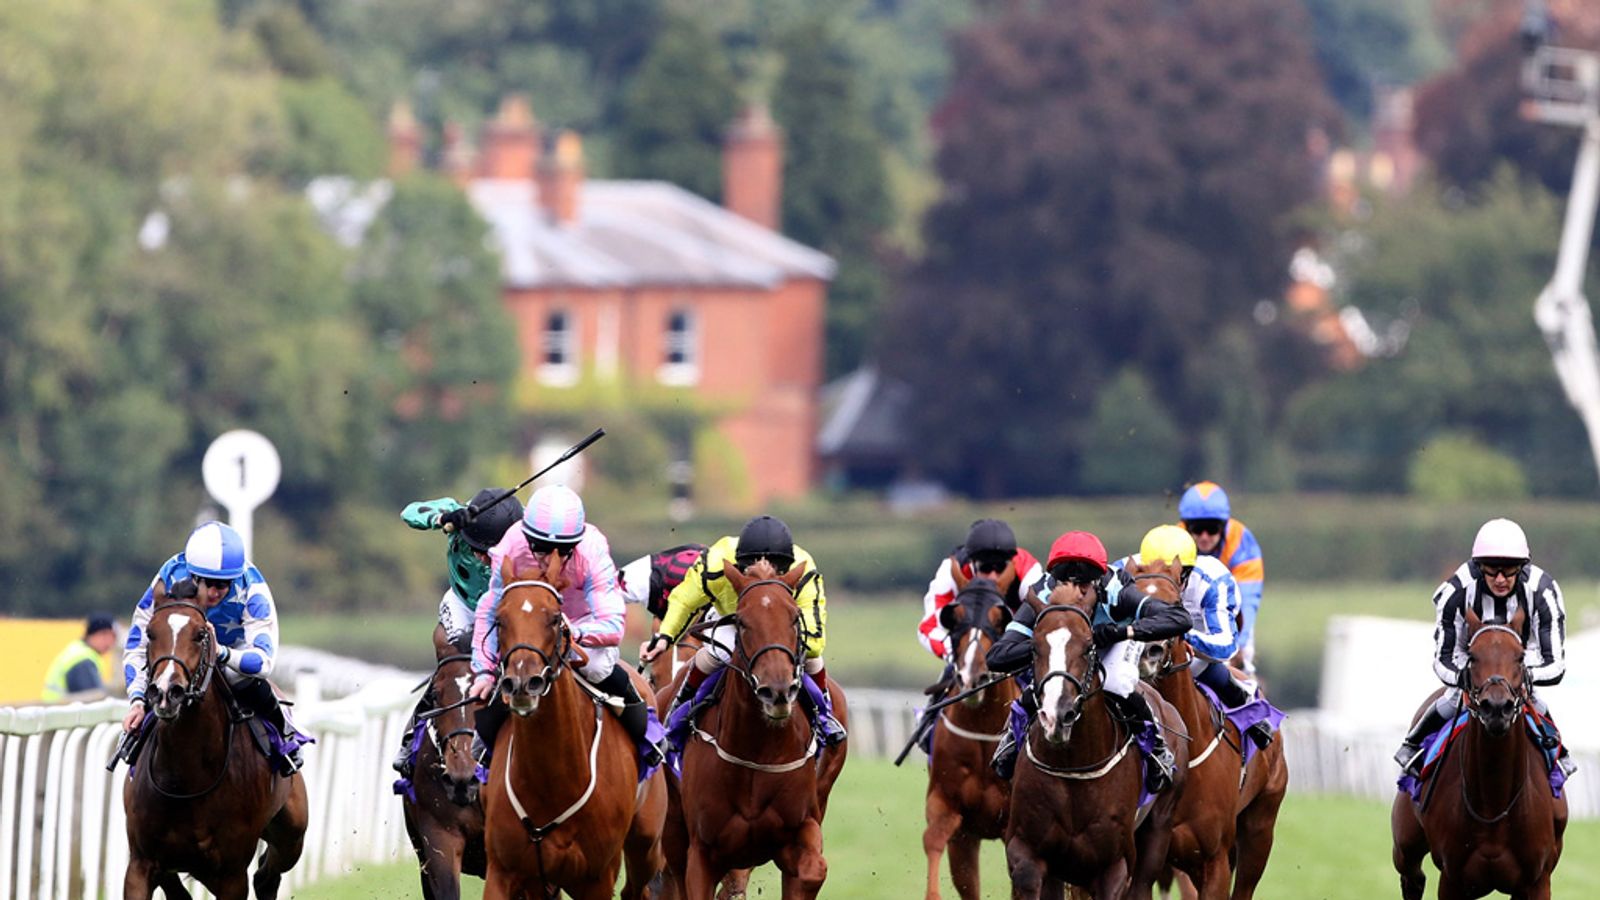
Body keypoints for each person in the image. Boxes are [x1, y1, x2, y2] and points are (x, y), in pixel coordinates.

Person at [465, 485, 661, 767]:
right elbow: (490, 609)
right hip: (531, 628)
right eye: (540, 548)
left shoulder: (592, 551)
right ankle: (484, 757)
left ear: (576, 543)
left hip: (581, 627)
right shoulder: (511, 545)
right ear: (527, 537)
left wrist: (572, 633)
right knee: (513, 667)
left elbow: (612, 625)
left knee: (597, 668)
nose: (550, 558)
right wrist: (484, 672)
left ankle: (647, 733)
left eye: (564, 550)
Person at [986, 530, 1192, 788]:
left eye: (1085, 581)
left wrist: (1121, 632)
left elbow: (1180, 619)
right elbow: (997, 657)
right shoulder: (1041, 594)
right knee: (1046, 682)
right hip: (1064, 648)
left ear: (1098, 579)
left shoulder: (1117, 589)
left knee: (1116, 682)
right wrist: (1049, 645)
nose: (1077, 590)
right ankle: (1011, 738)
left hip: (1111, 642)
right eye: (1066, 579)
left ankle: (1155, 748)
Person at [638, 515, 846, 745]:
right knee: (716, 654)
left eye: (777, 570)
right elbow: (684, 600)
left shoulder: (804, 569)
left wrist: (784, 646)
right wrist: (665, 638)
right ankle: (679, 712)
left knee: (813, 660)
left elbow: (814, 638)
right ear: (739, 564)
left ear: (787, 567)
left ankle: (824, 715)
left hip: (783, 626)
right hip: (734, 619)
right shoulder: (715, 562)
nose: (766, 572)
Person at [1394, 518, 1574, 778]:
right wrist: (1463, 677)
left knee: (1533, 701)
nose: (1500, 579)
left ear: (1522, 566)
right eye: (1491, 569)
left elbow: (1555, 663)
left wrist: (1523, 674)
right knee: (1453, 697)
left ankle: (1559, 758)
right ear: (1479, 567)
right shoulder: (1456, 591)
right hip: (1470, 657)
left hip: (1522, 657)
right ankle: (1412, 745)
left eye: (1509, 570)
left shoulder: (1543, 592)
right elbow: (1443, 658)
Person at [120, 520, 303, 774]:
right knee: (163, 681)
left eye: (223, 584)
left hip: (233, 653)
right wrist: (137, 700)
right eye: (208, 583)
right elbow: (136, 644)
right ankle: (132, 742)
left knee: (243, 679)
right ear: (192, 575)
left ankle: (285, 739)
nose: (215, 592)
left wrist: (220, 652)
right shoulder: (169, 577)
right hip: (181, 652)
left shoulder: (253, 590)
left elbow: (263, 662)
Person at [391, 487, 524, 775]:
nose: (480, 556)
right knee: (454, 660)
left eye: (489, 552)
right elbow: (409, 512)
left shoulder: (526, 533)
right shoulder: (459, 513)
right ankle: (414, 732)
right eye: (475, 547)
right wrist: (443, 519)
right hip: (463, 604)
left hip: (505, 606)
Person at [1112, 525, 1272, 748]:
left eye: (1179, 573)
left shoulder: (1212, 580)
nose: (1171, 578)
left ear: (1189, 570)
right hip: (1142, 639)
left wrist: (1178, 633)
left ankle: (1242, 699)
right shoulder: (1120, 572)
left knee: (1196, 665)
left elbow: (1226, 647)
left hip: (1195, 640)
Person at [916, 518, 1044, 662]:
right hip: (968, 646)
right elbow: (927, 628)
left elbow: (1045, 626)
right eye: (985, 568)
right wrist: (959, 654)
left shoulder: (1029, 573)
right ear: (972, 563)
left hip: (1015, 646)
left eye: (1000, 567)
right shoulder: (951, 571)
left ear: (1010, 563)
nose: (993, 577)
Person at [1178, 481, 1265, 674]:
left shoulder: (1241, 541)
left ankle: (1245, 687)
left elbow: (1248, 599)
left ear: (1224, 526)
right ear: (1185, 526)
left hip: (1228, 610)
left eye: (1212, 528)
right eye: (1197, 528)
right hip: (1187, 608)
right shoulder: (1174, 540)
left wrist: (1240, 644)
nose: (1204, 536)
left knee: (1241, 655)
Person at [42, 614, 118, 702]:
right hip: (60, 708)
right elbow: (93, 700)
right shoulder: (83, 660)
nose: (109, 641)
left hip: (55, 707)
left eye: (113, 637)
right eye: (104, 634)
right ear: (91, 634)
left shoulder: (77, 650)